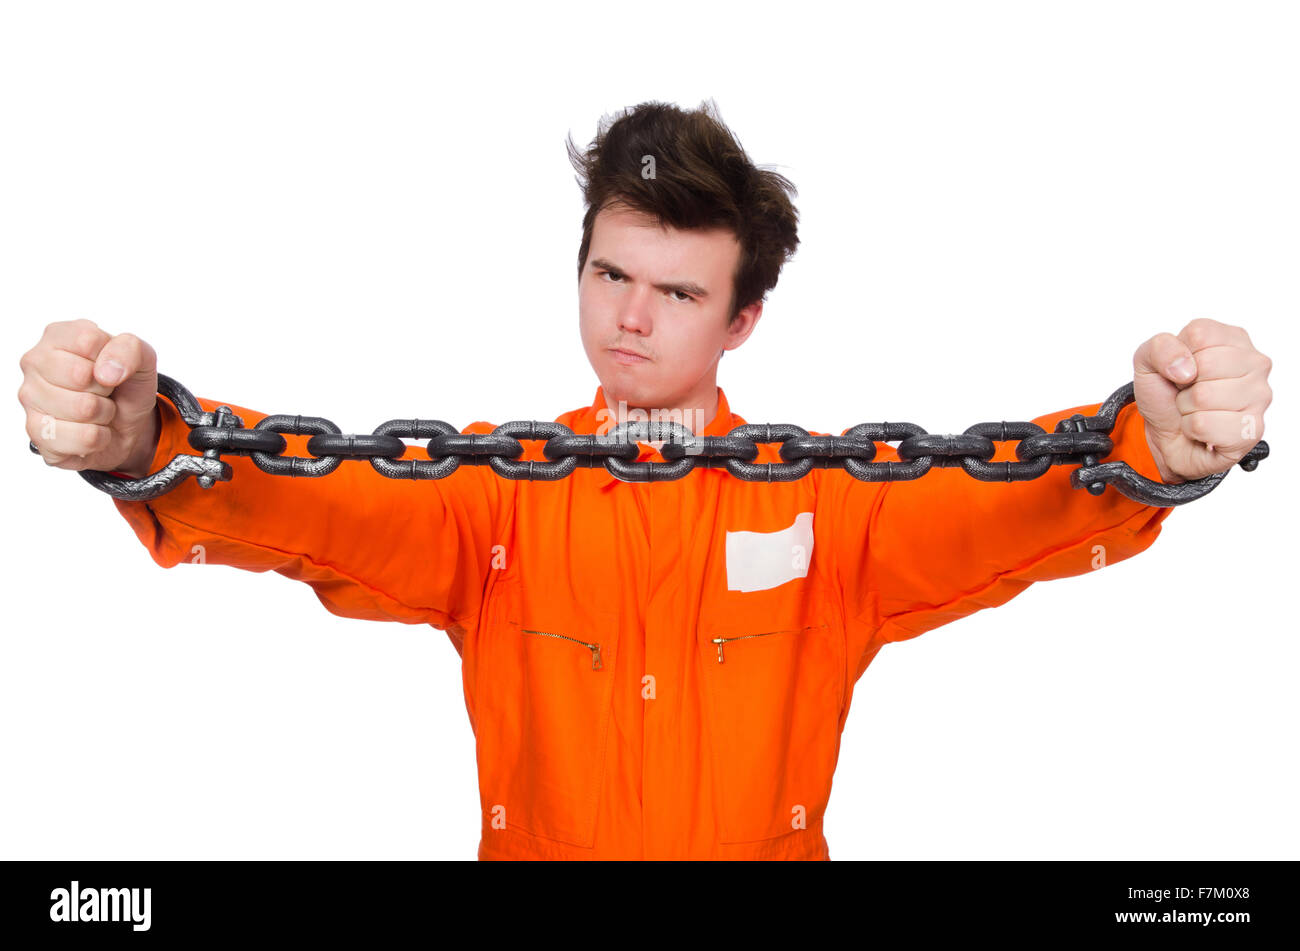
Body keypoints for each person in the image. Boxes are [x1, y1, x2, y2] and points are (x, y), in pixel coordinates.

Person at [17, 99, 1273, 860]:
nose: (631, 318)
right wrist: (147, 444)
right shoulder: (488, 504)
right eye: (611, 274)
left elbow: (1009, 508)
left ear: (740, 322)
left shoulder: (826, 514)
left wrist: (1153, 447)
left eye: (676, 291)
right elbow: (314, 504)